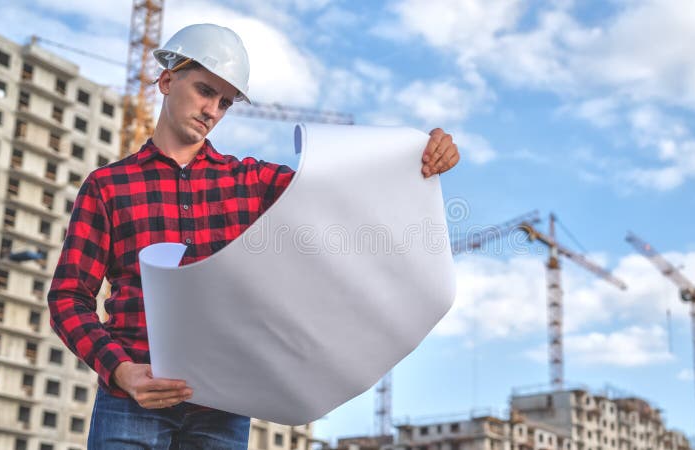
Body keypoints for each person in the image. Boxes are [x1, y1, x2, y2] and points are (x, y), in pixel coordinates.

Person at [47, 23, 460, 449]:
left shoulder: (252, 182)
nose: (212, 110)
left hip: (222, 410)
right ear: (168, 80)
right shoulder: (108, 187)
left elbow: (342, 186)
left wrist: (421, 152)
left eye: (225, 102)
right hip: (132, 402)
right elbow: (67, 298)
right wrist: (120, 370)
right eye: (206, 91)